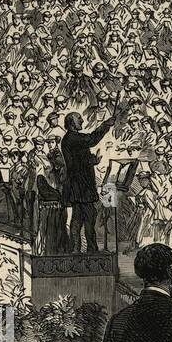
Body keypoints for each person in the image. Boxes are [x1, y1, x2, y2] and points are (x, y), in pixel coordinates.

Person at [61, 106, 120, 253]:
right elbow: (92, 139)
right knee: (89, 216)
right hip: (82, 186)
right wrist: (106, 125)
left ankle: (76, 250)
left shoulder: (71, 139)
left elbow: (80, 159)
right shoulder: (73, 138)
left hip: (78, 185)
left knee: (78, 218)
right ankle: (91, 250)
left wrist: (93, 160)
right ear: (71, 123)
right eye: (78, 119)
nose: (82, 120)